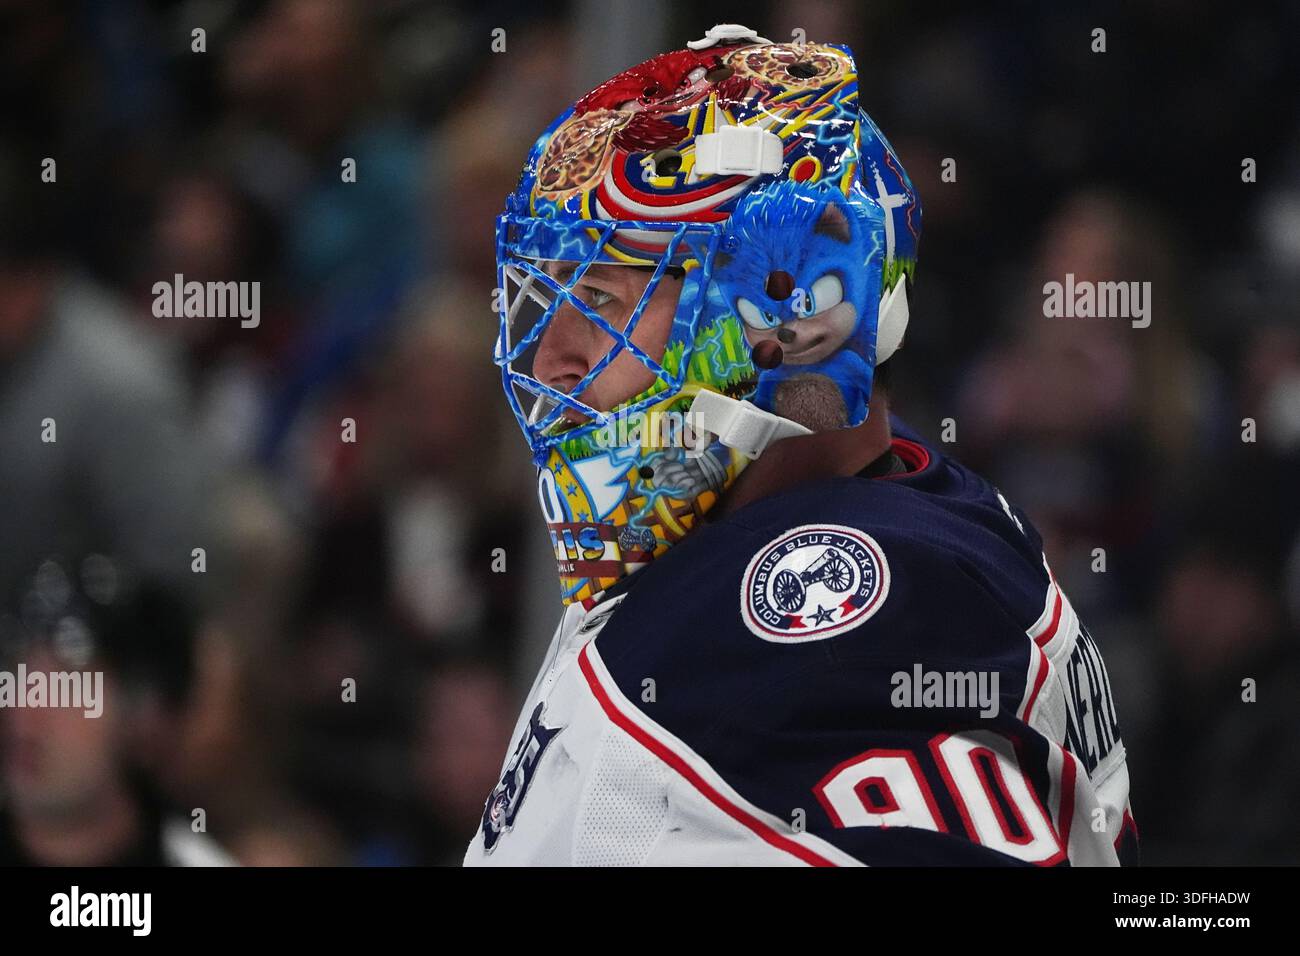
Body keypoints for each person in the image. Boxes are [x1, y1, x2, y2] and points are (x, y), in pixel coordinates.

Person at [464, 24, 1136, 866]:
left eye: (601, 298)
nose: (552, 359)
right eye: (551, 299)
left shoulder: (839, 608)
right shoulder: (828, 525)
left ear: (794, 312)